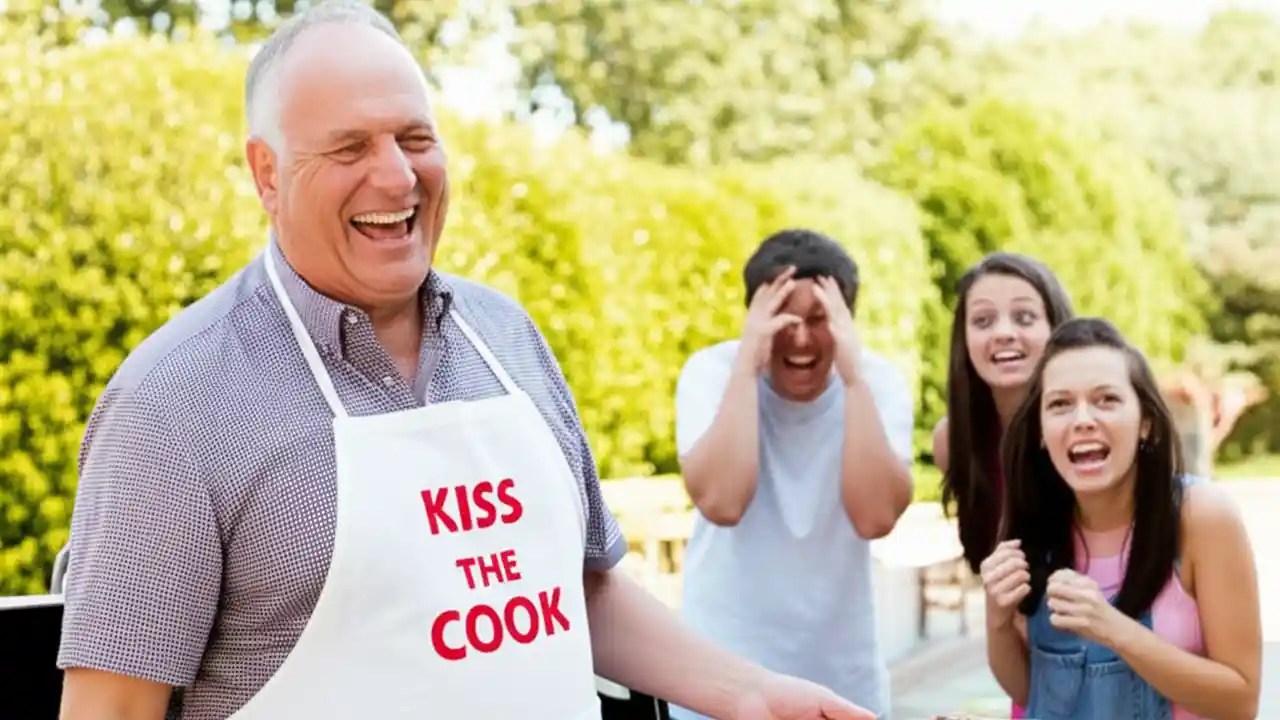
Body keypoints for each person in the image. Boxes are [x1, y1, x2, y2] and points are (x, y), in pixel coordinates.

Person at [53, 4, 876, 719]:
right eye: (349, 148)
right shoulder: (173, 404)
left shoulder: (506, 336)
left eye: (416, 138)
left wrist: (752, 695)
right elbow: (110, 708)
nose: (396, 176)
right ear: (266, 173)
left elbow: (580, 590)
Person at [670, 229, 915, 720]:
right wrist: (747, 367)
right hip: (721, 680)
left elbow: (875, 517)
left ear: (846, 321)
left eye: (819, 319)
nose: (801, 338)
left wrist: (853, 380)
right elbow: (722, 502)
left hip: (842, 682)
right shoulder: (712, 373)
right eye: (784, 318)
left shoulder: (876, 383)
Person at [981, 317, 1262, 720]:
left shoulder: (1200, 516)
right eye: (1060, 404)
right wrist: (997, 622)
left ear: (1146, 422)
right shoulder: (1036, 523)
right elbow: (1033, 691)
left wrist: (1113, 629)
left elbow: (1241, 702)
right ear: (1041, 431)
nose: (1082, 419)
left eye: (1106, 399)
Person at [933, 252, 1074, 576]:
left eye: (1024, 317)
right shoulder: (954, 441)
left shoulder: (1087, 430)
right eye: (983, 321)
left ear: (1056, 327)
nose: (1003, 333)